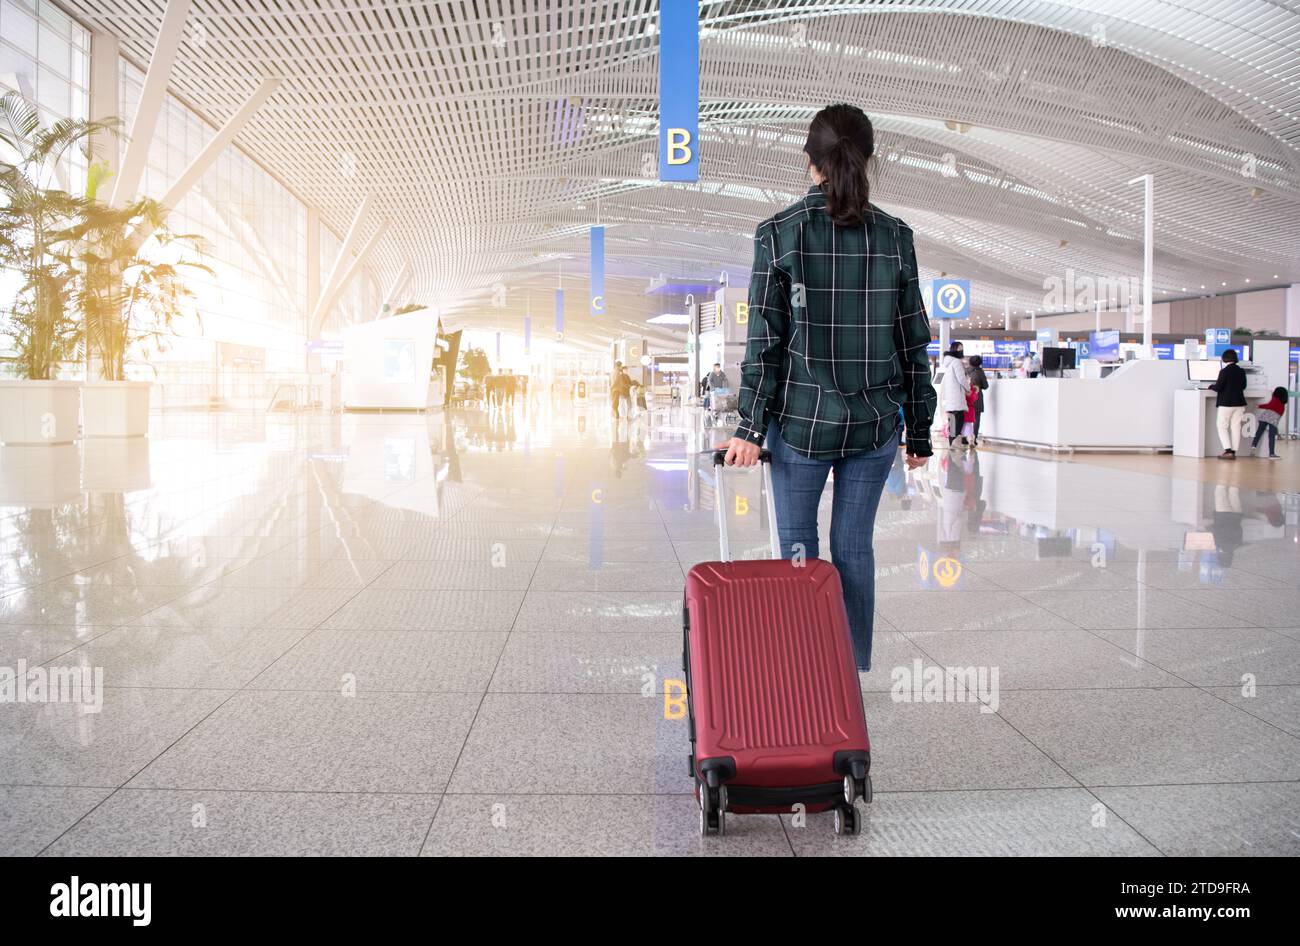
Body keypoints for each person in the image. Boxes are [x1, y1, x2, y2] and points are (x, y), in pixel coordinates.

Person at [720, 103, 936, 673]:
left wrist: (747, 427)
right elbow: (914, 339)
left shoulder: (779, 233)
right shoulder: (895, 237)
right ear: (868, 160)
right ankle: (848, 673)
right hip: (874, 426)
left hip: (800, 425)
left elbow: (763, 341)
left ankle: (802, 670)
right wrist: (919, 432)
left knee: (797, 550)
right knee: (854, 550)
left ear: (809, 162)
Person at [1209, 348, 1247, 460]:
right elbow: (1243, 386)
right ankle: (1234, 451)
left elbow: (1218, 387)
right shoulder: (1241, 371)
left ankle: (1228, 450)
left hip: (1226, 403)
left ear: (1224, 359)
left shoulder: (1224, 371)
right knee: (1236, 427)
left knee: (1222, 426)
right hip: (1239, 403)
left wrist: (1210, 386)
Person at [940, 341, 970, 449]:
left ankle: (951, 444)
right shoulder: (956, 362)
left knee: (952, 423)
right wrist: (968, 388)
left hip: (951, 399)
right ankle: (954, 445)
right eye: (960, 348)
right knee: (958, 422)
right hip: (957, 399)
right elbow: (961, 378)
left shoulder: (949, 363)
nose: (961, 350)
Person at [1247, 386, 1287, 459]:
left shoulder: (1275, 399)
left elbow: (1269, 405)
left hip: (1266, 416)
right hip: (1274, 419)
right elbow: (1275, 409)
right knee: (1271, 436)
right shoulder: (1282, 403)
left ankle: (1253, 445)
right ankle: (1271, 453)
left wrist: (1259, 406)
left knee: (1259, 432)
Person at [966, 354, 988, 446]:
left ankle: (964, 438)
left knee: (966, 418)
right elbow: (986, 386)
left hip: (966, 396)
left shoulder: (966, 371)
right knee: (976, 419)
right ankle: (973, 439)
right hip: (977, 398)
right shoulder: (980, 372)